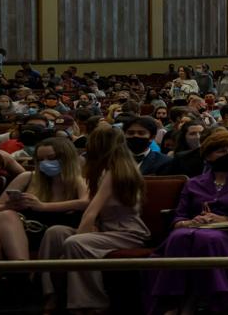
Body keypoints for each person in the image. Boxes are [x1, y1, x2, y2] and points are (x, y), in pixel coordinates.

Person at [150, 130, 228, 314]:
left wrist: (225, 219)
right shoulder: (194, 183)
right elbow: (179, 216)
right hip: (192, 229)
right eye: (222, 151)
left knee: (208, 239)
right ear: (208, 156)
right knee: (178, 237)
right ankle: (174, 302)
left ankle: (203, 302)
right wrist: (189, 222)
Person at [42, 126, 149, 313]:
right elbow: (90, 208)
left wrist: (74, 242)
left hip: (127, 232)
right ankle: (52, 294)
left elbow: (91, 212)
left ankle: (91, 304)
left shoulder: (115, 172)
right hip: (106, 229)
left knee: (75, 243)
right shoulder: (102, 171)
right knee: (55, 232)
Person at [0, 137, 87, 294]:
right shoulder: (27, 177)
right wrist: (9, 205)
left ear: (66, 158)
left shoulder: (78, 180)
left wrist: (42, 207)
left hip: (53, 236)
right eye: (40, 159)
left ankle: (23, 274)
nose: (45, 163)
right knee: (4, 219)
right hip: (21, 232)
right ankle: (24, 272)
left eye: (51, 158)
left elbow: (86, 202)